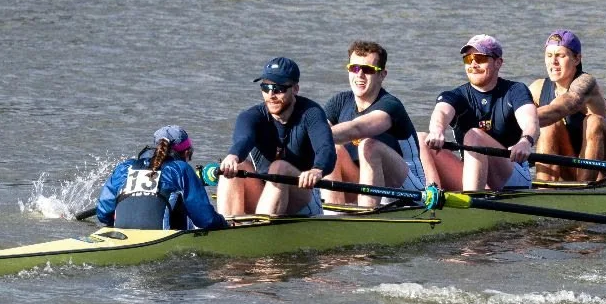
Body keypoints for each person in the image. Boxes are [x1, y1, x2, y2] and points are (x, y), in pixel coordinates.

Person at [217, 57, 337, 217]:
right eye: (265, 87)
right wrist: (232, 156)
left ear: (295, 89)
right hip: (262, 193)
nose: (271, 94)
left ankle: (262, 230)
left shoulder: (312, 113)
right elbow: (243, 139)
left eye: (278, 88)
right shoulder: (251, 116)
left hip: (301, 196)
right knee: (235, 167)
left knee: (280, 167)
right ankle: (228, 227)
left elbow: (326, 148)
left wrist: (317, 170)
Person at [420, 34, 541, 192]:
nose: (473, 64)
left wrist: (525, 141)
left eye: (480, 58)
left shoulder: (515, 90)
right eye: (468, 59)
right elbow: (441, 112)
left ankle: (473, 203)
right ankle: (432, 194)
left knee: (474, 136)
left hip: (512, 175)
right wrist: (437, 130)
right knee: (421, 139)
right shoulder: (456, 95)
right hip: (472, 176)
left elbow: (531, 121)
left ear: (498, 63)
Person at [321, 41, 425, 207]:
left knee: (368, 146)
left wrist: (315, 137)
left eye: (368, 70)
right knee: (332, 149)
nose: (360, 75)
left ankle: (366, 213)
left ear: (382, 75)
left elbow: (358, 128)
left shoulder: (391, 105)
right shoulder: (339, 102)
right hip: (367, 182)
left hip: (409, 189)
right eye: (354, 68)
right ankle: (332, 214)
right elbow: (318, 129)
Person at [528, 29, 606, 182]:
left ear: (577, 59)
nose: (553, 62)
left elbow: (563, 106)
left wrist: (523, 120)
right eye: (549, 55)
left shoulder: (587, 83)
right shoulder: (537, 88)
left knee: (593, 121)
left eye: (561, 55)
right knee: (550, 126)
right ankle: (544, 188)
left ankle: (583, 191)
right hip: (572, 166)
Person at [96, 126, 227, 230]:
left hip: (123, 236)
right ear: (187, 153)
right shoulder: (181, 169)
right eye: (190, 155)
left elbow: (103, 213)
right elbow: (205, 220)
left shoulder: (124, 168)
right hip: (163, 240)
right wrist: (223, 223)